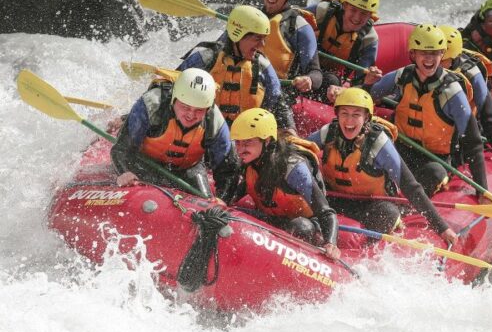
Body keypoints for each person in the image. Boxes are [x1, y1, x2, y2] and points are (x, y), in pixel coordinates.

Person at [307, 88, 458, 244]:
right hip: (334, 199)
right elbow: (302, 153)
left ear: (366, 117)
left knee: (387, 213)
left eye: (356, 115)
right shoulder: (328, 133)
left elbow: (410, 186)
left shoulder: (378, 143)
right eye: (344, 113)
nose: (349, 121)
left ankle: (362, 251)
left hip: (371, 205)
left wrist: (442, 228)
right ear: (337, 115)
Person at [366, 24, 488, 197]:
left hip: (434, 158)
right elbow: (369, 96)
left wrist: (481, 190)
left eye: (435, 53)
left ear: (442, 54)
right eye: (423, 53)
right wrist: (367, 83)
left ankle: (408, 202)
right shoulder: (403, 76)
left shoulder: (452, 92)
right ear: (413, 54)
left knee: (434, 174)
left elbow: (473, 142)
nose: (429, 59)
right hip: (399, 147)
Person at [228, 108, 341, 260]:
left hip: (305, 224)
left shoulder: (294, 168)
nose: (241, 148)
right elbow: (240, 190)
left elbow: (326, 212)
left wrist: (331, 244)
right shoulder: (248, 159)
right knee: (231, 213)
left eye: (248, 142)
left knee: (302, 227)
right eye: (238, 142)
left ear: (267, 141)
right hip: (271, 219)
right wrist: (223, 202)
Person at [111, 68, 238, 199]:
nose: (190, 115)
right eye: (185, 107)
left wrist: (222, 200)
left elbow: (228, 170)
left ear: (208, 108)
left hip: (187, 171)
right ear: (174, 100)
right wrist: (124, 171)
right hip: (143, 164)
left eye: (199, 110)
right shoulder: (152, 104)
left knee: (207, 203)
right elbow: (121, 150)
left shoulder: (215, 122)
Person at [178, 4, 295, 130]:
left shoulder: (262, 66)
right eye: (257, 38)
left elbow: (278, 102)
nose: (262, 45)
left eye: (264, 39)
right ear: (237, 35)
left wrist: (290, 131)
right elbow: (172, 88)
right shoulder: (206, 59)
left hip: (245, 136)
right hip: (205, 132)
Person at [439, 25, 492, 181]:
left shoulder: (473, 76)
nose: (433, 62)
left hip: (458, 138)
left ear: (452, 57)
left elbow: (489, 119)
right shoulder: (423, 65)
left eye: (440, 58)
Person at [306, 0, 383, 102]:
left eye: (363, 13)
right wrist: (307, 35)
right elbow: (288, 21)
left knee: (332, 81)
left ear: (370, 16)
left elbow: (360, 82)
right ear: (345, 5)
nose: (357, 18)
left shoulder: (369, 39)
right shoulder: (323, 11)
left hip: (328, 76)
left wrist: (345, 90)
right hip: (304, 61)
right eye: (353, 10)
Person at [257, 0, 323, 95]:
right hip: (246, 87)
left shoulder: (300, 26)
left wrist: (308, 79)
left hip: (278, 93)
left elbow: (316, 72)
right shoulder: (250, 17)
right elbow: (218, 49)